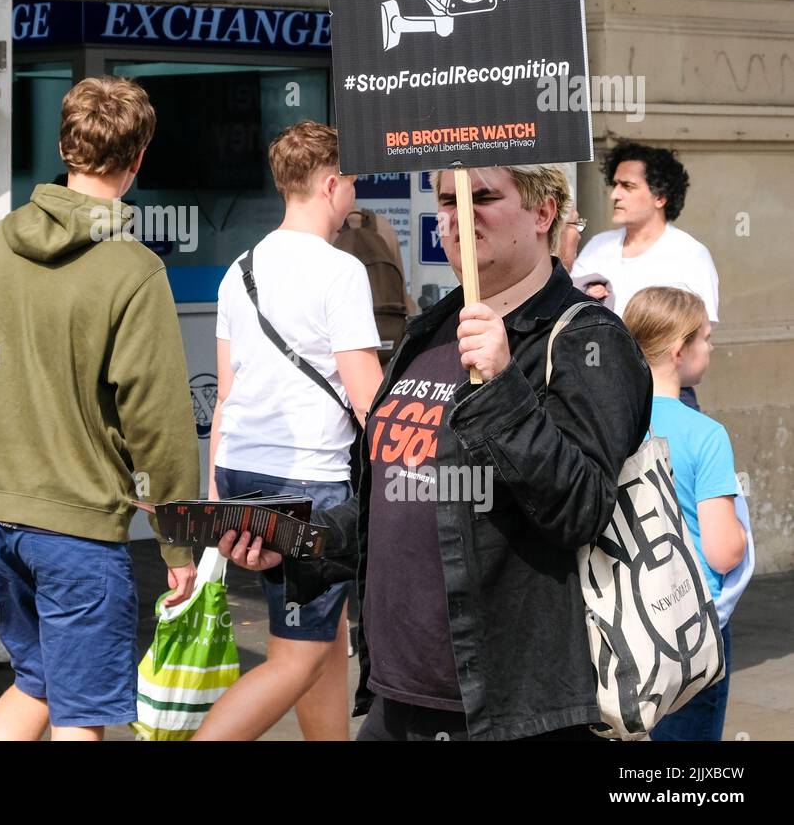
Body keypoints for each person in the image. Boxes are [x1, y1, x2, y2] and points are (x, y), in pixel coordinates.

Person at [223, 165, 653, 740]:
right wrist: (297, 542)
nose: (459, 217)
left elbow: (581, 507)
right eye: (448, 201)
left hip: (504, 711)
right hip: (397, 698)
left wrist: (503, 384)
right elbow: (397, 495)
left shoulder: (585, 338)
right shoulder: (431, 331)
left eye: (484, 197)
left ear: (544, 212)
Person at [0, 76, 199, 742]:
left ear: (65, 145)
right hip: (75, 528)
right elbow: (159, 420)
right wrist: (179, 542)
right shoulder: (133, 268)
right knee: (81, 712)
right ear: (138, 156)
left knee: (37, 684)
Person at [193, 121, 383, 742]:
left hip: (243, 471)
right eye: (351, 182)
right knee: (295, 658)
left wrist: (217, 495)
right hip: (309, 480)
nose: (354, 194)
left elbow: (225, 395)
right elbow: (367, 400)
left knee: (323, 643)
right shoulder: (341, 272)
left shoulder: (237, 271)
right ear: (331, 185)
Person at [622, 286, 747, 741]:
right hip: (690, 627)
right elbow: (721, 552)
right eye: (706, 338)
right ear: (679, 349)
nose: (710, 348)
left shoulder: (608, 422)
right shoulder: (707, 434)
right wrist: (742, 536)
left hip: (622, 620)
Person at [569, 142, 718, 410]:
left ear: (660, 197)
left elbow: (700, 334)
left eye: (628, 186)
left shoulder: (689, 254)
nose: (615, 195)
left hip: (663, 394)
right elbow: (568, 310)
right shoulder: (597, 247)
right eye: (614, 185)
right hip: (598, 387)